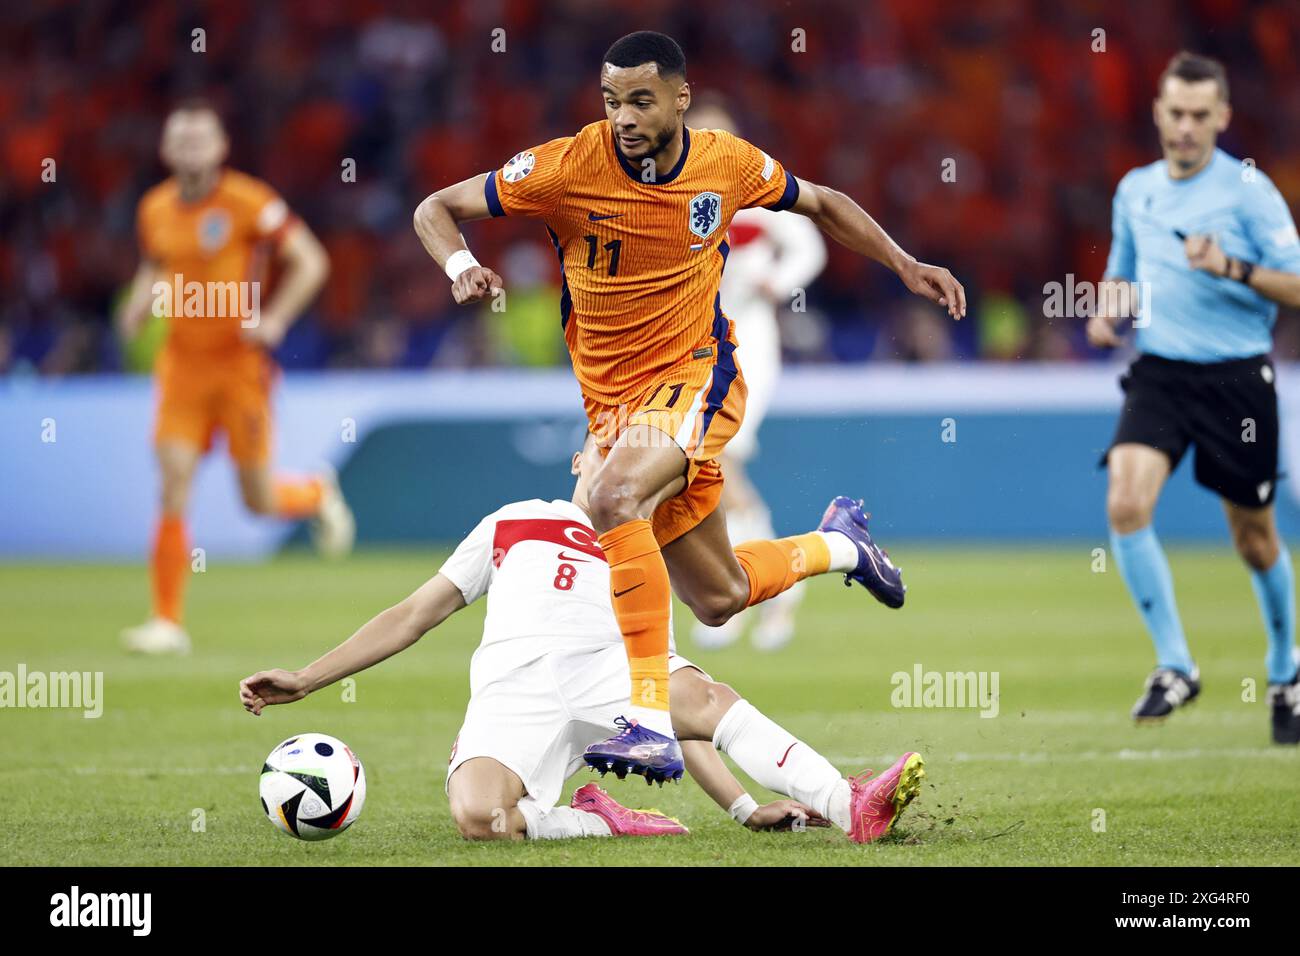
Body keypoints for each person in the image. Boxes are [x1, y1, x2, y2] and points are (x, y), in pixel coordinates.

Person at [413, 31, 963, 779]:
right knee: (718, 597)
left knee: (609, 497)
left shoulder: (724, 164)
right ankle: (842, 546)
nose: (624, 117)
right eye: (611, 101)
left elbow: (823, 204)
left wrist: (903, 262)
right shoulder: (566, 165)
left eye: (640, 100)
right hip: (612, 404)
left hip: (698, 372)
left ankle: (645, 719)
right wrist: (462, 265)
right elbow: (436, 208)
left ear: (681, 98)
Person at [239, 435, 926, 843]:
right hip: (514, 690)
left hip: (607, 671)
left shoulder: (644, 544)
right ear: (579, 459)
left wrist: (742, 809)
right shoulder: (512, 520)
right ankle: (597, 820)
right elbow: (414, 614)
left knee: (708, 697)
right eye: (606, 444)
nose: (618, 463)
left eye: (631, 450)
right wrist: (307, 678)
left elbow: (669, 714)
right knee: (482, 821)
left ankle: (849, 804)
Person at [1087, 52, 1300, 742]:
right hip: (1160, 375)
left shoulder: (1248, 190)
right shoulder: (1135, 189)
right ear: (1157, 111)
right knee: (1125, 500)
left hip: (1237, 378)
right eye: (1174, 113)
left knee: (1255, 537)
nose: (1184, 127)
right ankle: (1176, 664)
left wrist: (1230, 266)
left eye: (1199, 116)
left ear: (1222, 118)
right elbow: (1122, 272)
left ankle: (1285, 667)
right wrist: (1105, 310)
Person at [116, 101, 354, 655]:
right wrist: (137, 305)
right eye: (181, 138)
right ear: (166, 150)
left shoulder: (250, 202)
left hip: (240, 369)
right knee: (172, 483)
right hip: (182, 367)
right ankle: (166, 622)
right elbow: (155, 264)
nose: (191, 147)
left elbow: (311, 260)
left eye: (202, 138)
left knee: (259, 500)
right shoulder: (154, 208)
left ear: (222, 147)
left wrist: (275, 320)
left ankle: (316, 492)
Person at [684, 98, 828, 652]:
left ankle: (756, 592)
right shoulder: (679, 200)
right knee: (706, 473)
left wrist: (778, 281)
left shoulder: (757, 194)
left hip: (751, 344)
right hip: (698, 347)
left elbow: (809, 247)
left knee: (715, 463)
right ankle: (754, 593)